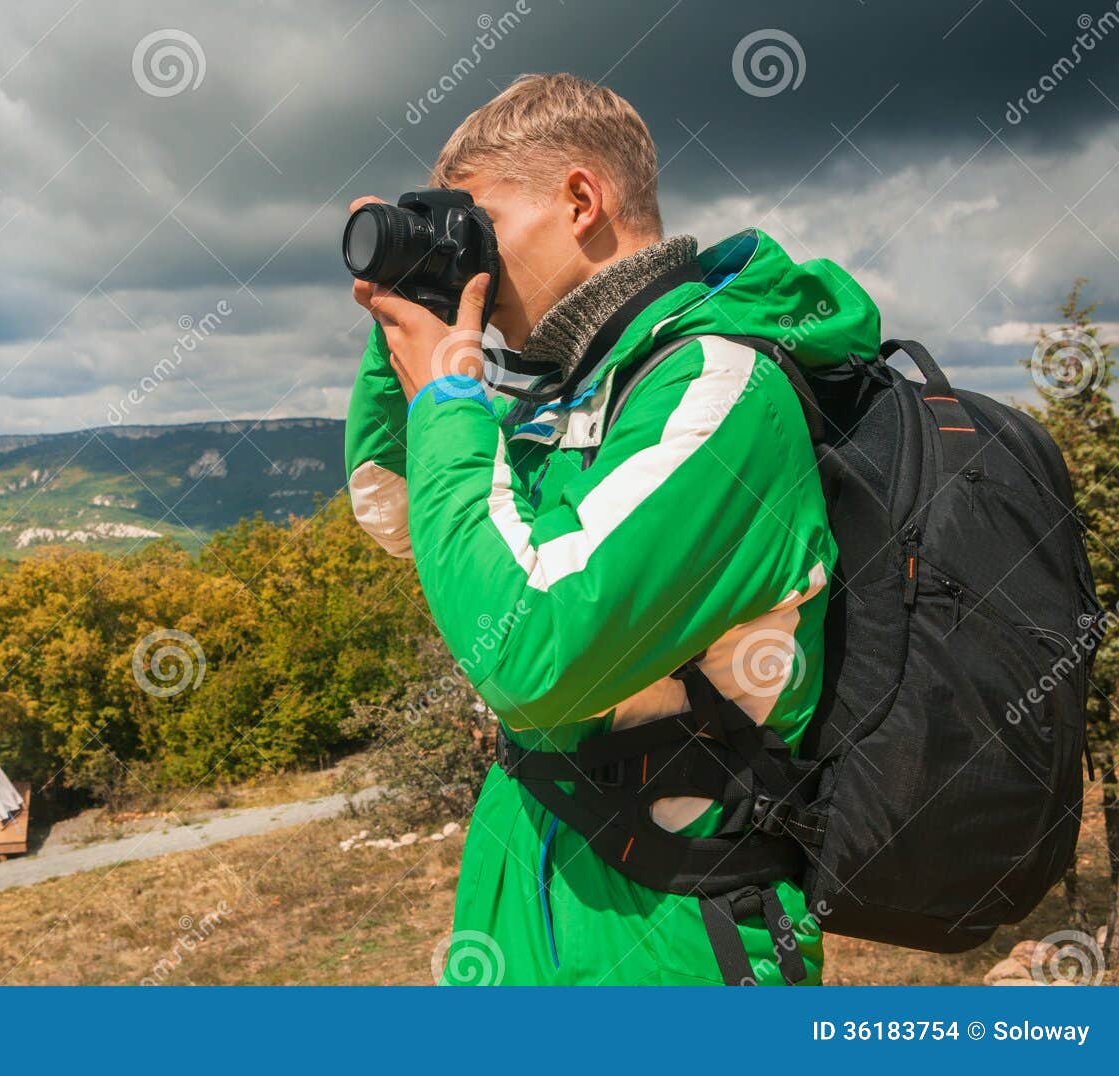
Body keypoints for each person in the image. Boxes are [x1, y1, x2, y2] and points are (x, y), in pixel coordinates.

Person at [344, 73, 881, 985]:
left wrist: (450, 394)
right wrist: (409, 316)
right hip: (522, 899)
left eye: (481, 230)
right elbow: (398, 509)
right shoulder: (572, 396)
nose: (475, 262)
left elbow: (532, 656)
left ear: (582, 200)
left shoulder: (719, 391)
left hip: (672, 930)